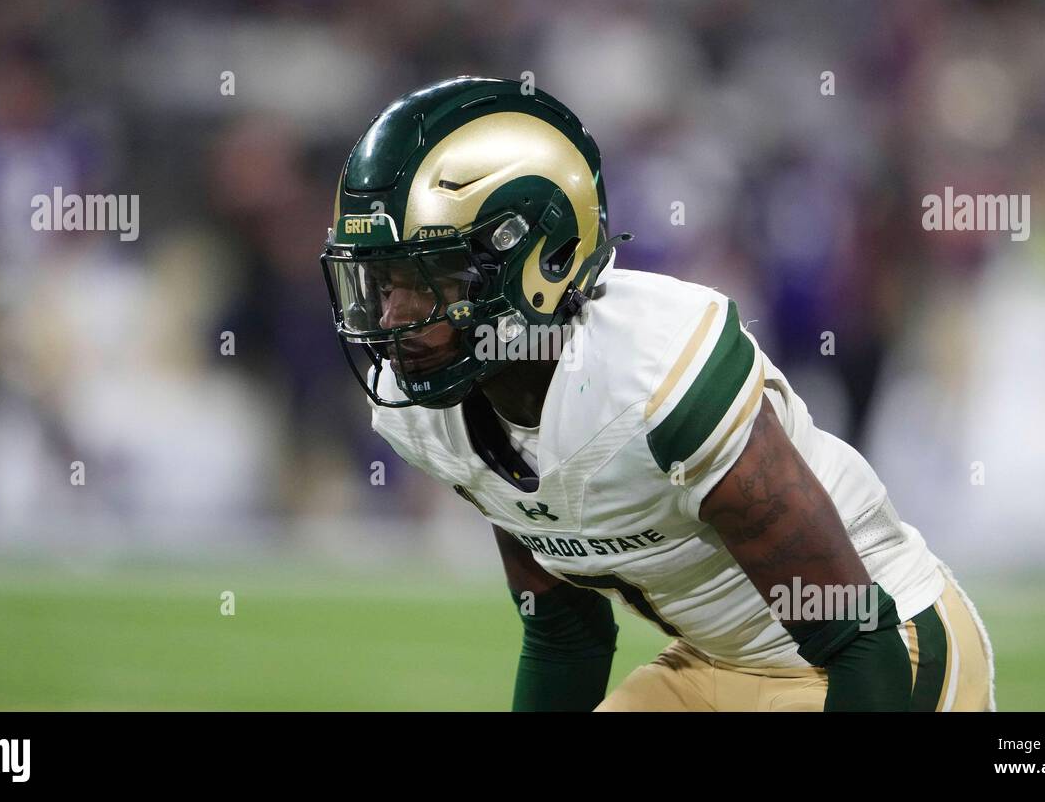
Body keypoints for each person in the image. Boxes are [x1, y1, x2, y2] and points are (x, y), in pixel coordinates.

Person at [321, 76, 994, 711]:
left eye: (426, 276)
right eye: (382, 281)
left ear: (539, 262)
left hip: (887, 651)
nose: (391, 317)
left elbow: (856, 639)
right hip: (712, 663)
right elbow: (565, 632)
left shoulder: (653, 376)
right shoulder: (437, 409)